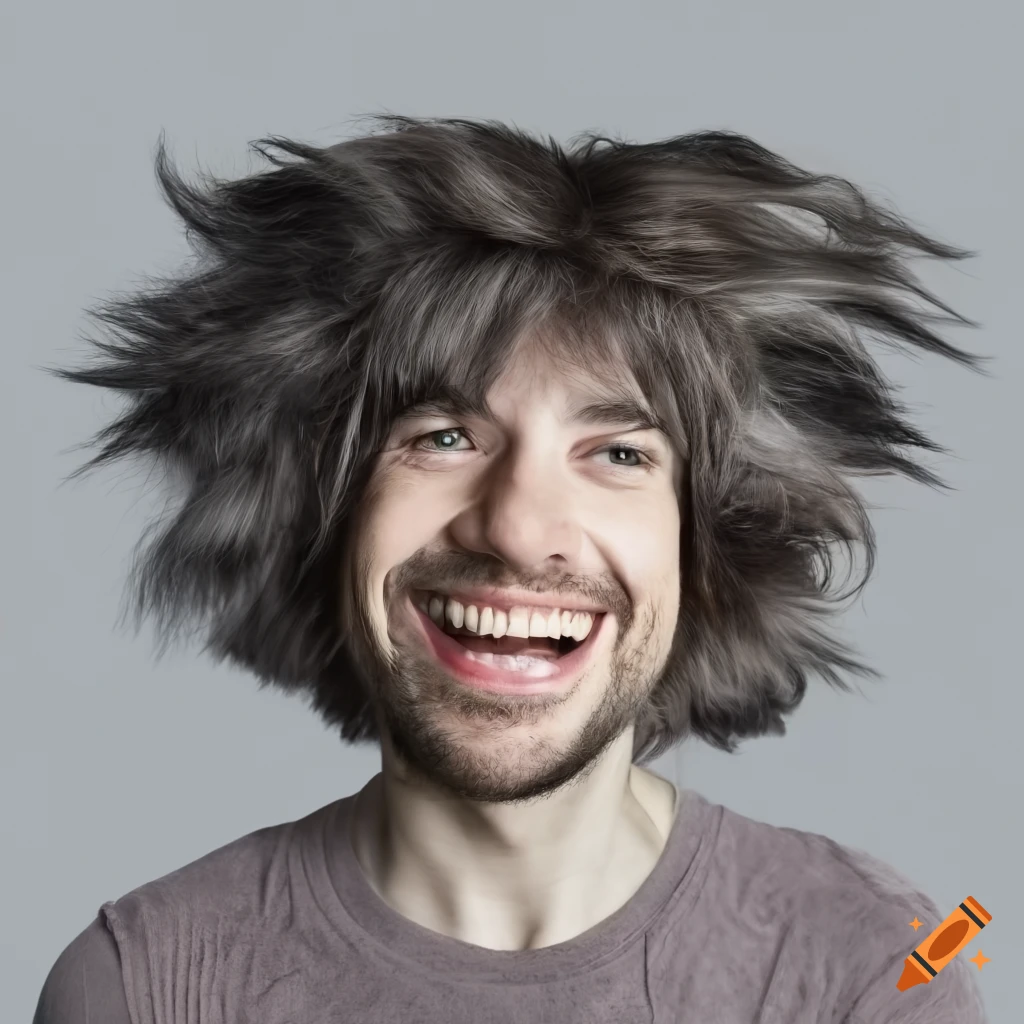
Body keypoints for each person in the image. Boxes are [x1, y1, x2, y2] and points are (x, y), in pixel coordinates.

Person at [34, 115, 988, 1023]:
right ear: (323, 514)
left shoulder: (878, 971)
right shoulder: (147, 987)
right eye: (444, 437)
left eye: (620, 454)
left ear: (707, 549)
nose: (521, 533)